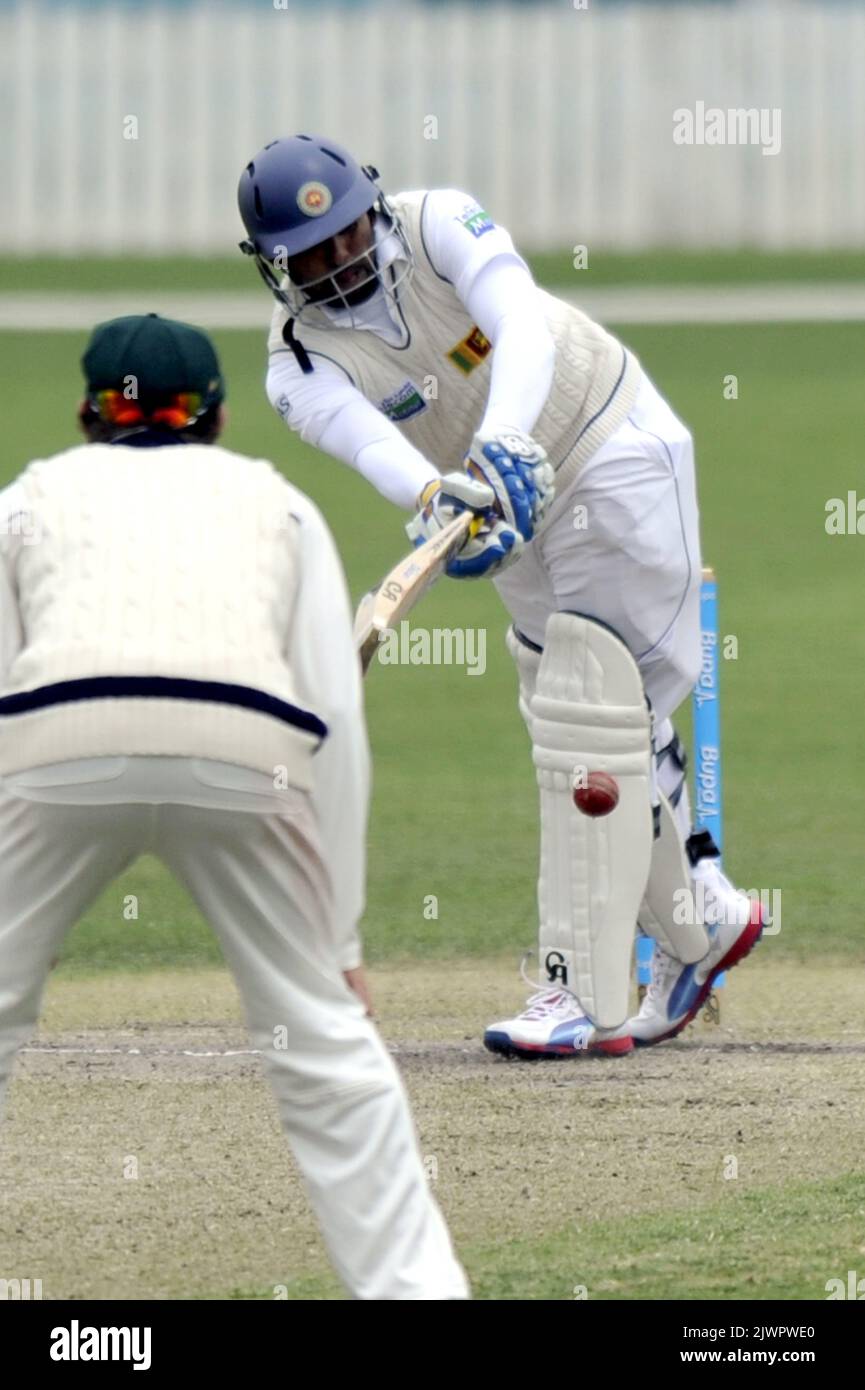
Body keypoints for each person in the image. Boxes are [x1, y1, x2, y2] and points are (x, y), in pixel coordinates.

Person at [237, 134, 765, 1060]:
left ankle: (576, 990)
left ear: (373, 206)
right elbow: (374, 446)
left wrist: (502, 444)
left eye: (350, 231)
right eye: (313, 255)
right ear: (277, 270)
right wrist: (440, 497)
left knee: (594, 712)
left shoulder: (439, 216)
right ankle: (700, 925)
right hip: (500, 507)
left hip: (606, 443)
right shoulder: (297, 366)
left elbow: (519, 321)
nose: (343, 258)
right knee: (581, 724)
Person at [0, 313, 469, 1300]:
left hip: (57, 742)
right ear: (214, 415)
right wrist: (339, 946)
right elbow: (333, 714)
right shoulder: (280, 505)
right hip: (246, 752)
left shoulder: (28, 500)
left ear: (89, 410)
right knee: (325, 1046)